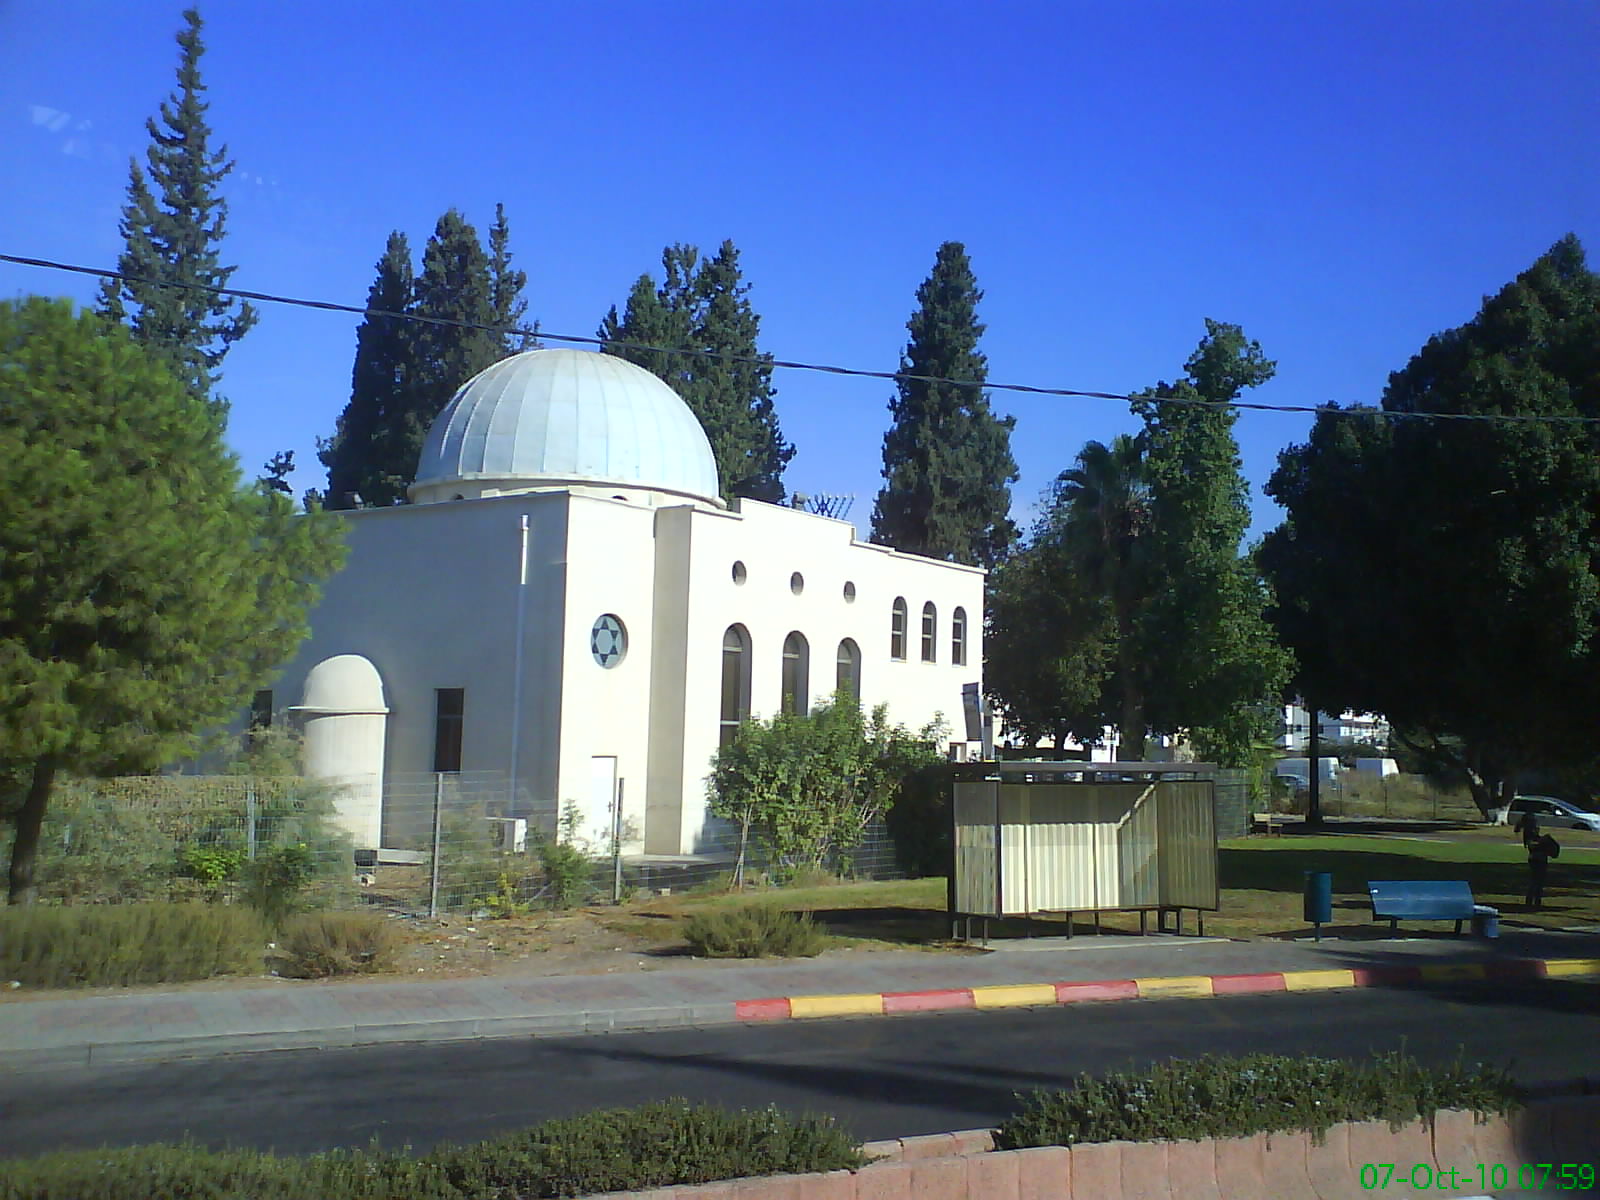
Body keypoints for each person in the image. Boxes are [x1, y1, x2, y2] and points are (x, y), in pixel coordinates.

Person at [1526, 832, 1559, 910]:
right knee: (1538, 881)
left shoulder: (1533, 841)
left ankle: (1531, 900)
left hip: (1534, 860)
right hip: (1540, 861)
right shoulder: (1540, 841)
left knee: (1535, 881)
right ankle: (1535, 900)